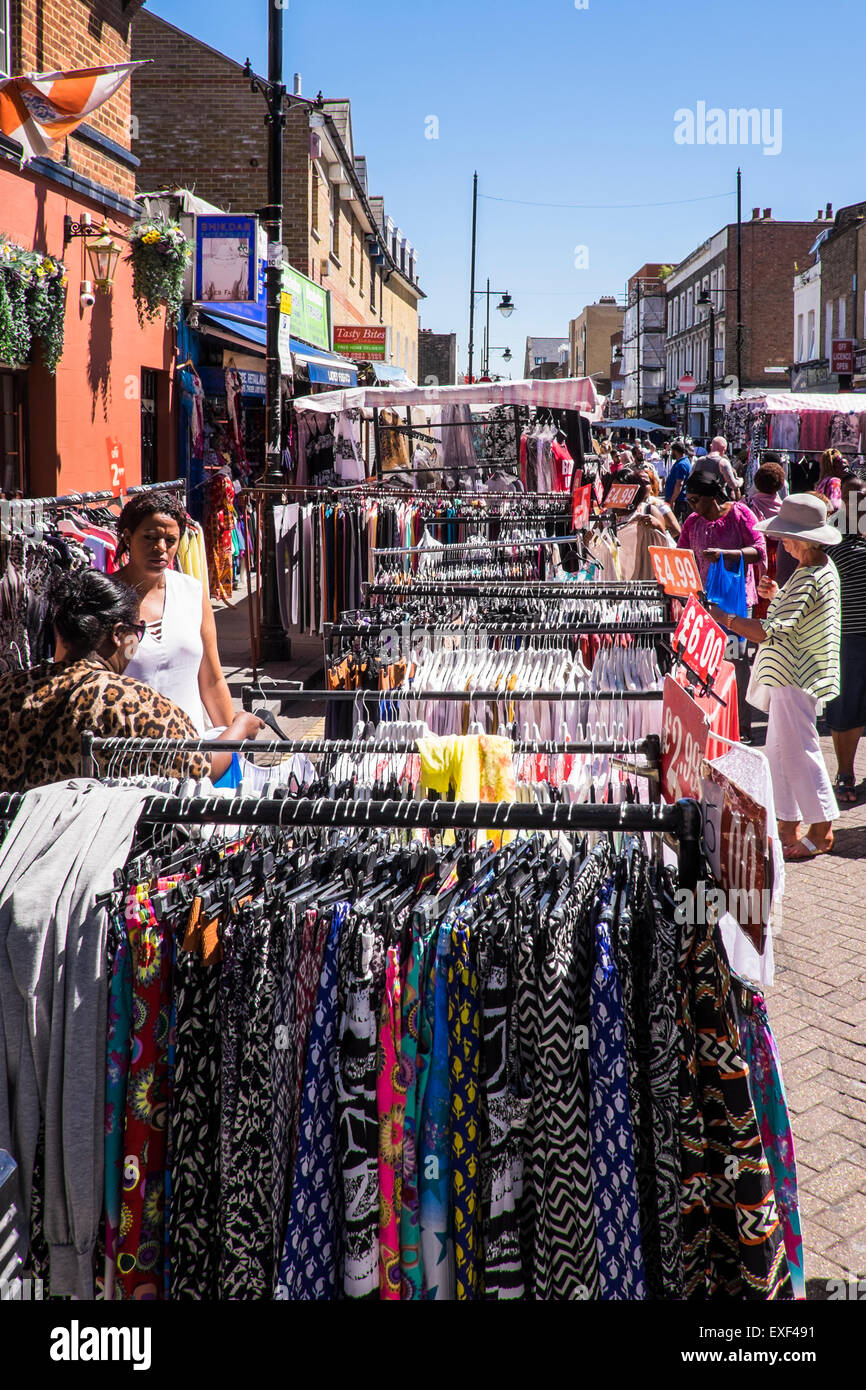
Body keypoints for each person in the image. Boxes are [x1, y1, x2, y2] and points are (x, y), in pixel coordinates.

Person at [0, 570, 264, 792]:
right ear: (118, 635)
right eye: (138, 631)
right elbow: (201, 769)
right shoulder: (136, 703)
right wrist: (239, 728)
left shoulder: (9, 689)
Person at [708, 494, 841, 861]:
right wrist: (778, 595)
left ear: (804, 539)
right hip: (793, 673)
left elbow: (770, 632)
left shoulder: (810, 575)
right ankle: (788, 822)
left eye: (786, 537)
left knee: (798, 752)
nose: (782, 543)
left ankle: (821, 829)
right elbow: (798, 617)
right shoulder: (815, 569)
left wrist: (726, 618)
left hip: (796, 674)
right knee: (782, 752)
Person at [113, 491, 236, 735]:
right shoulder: (105, 599)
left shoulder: (192, 592)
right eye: (150, 537)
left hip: (190, 756)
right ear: (128, 537)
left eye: (170, 541)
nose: (160, 548)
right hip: (126, 756)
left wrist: (234, 751)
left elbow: (212, 681)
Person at [824, 475, 866, 803]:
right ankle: (845, 772)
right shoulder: (832, 532)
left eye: (862, 495)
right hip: (847, 634)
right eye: (850, 496)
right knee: (845, 707)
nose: (856, 502)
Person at [663, 440, 691, 520]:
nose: (671, 453)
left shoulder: (681, 464)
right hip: (678, 499)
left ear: (675, 451)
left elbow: (679, 484)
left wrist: (672, 501)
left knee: (676, 523)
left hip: (678, 500)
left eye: (672, 451)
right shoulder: (683, 461)